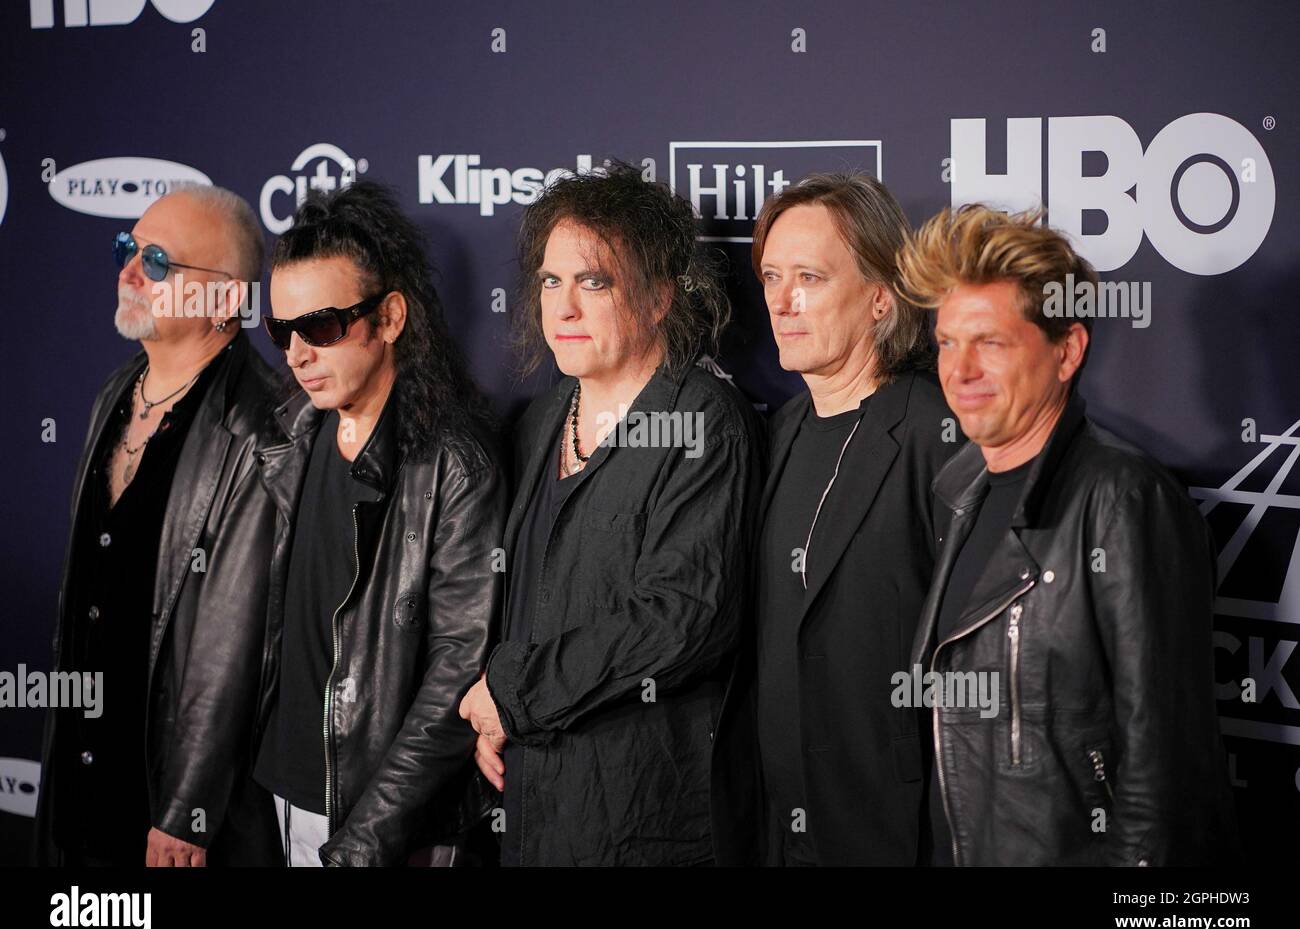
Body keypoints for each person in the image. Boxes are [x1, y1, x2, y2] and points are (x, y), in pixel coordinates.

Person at [896, 203, 1239, 865]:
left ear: (1067, 351)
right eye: (946, 342)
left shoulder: (1122, 498)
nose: (959, 371)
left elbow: (1165, 765)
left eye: (991, 342)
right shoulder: (960, 489)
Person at [458, 161, 763, 866]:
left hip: (647, 815)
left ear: (659, 297)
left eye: (594, 283)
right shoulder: (539, 422)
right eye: (551, 282)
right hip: (537, 806)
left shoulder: (702, 421)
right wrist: (498, 715)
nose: (563, 308)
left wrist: (512, 691)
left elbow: (683, 617)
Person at [252, 181, 505, 866]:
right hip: (279, 794)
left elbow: (458, 670)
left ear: (390, 317)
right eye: (281, 331)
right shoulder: (289, 440)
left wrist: (366, 840)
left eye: (323, 327)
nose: (298, 353)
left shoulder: (453, 465)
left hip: (387, 825)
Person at [710, 173, 960, 866]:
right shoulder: (781, 430)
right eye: (770, 276)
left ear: (881, 297)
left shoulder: (935, 435)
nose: (781, 303)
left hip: (891, 832)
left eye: (811, 278)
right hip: (777, 831)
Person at [34, 184, 282, 866]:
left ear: (227, 299)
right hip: (83, 797)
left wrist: (185, 811)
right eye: (126, 249)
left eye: (158, 261)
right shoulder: (115, 392)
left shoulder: (263, 428)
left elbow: (232, 645)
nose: (129, 271)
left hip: (169, 818)